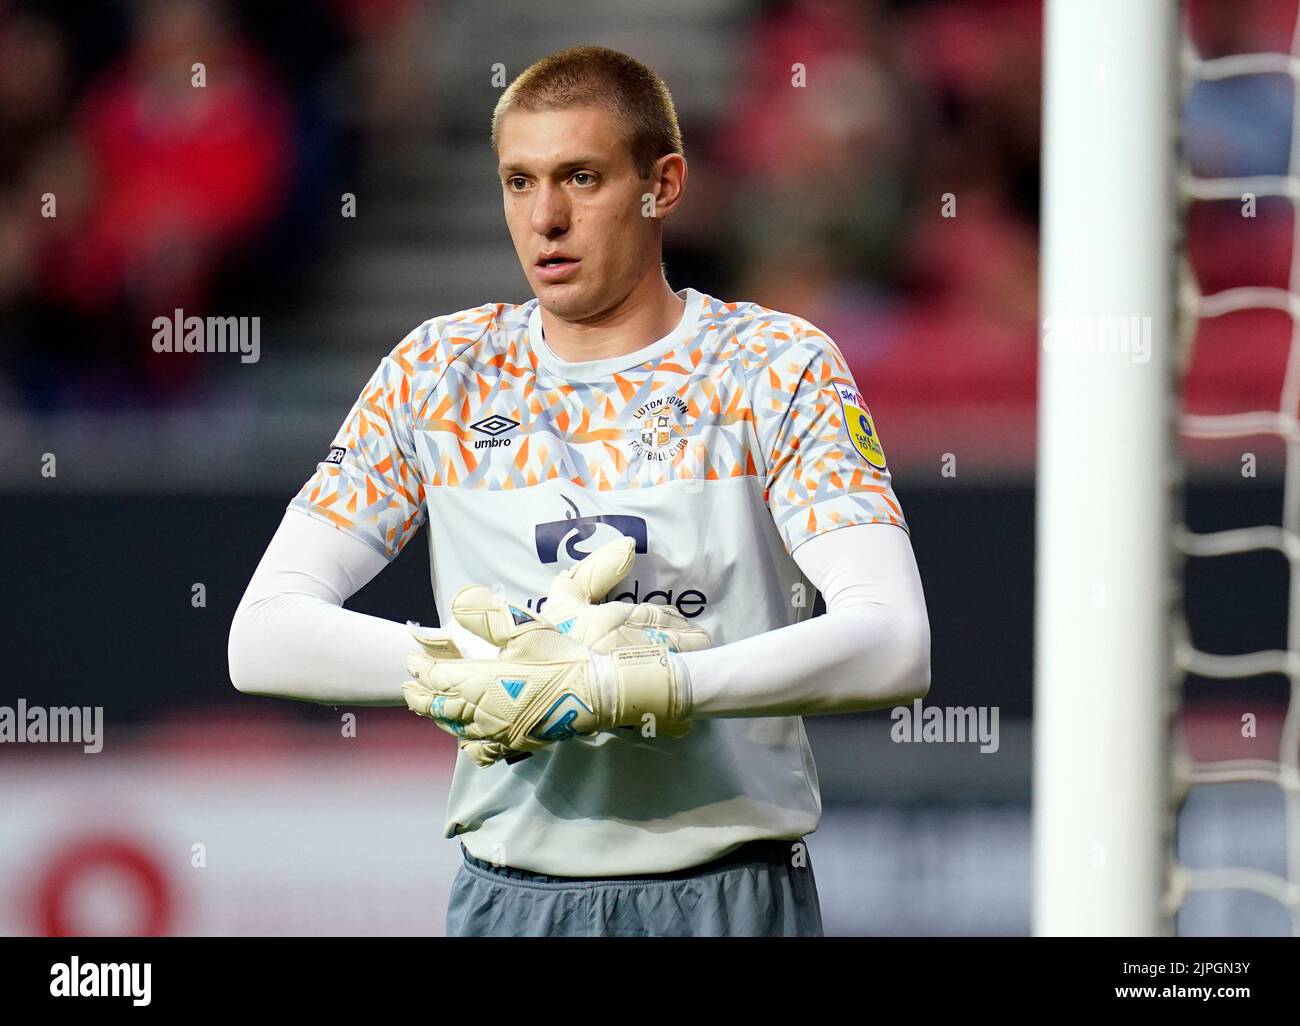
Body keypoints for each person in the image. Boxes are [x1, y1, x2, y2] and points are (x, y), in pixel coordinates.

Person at [228, 45, 931, 937]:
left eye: (582, 177)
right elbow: (261, 635)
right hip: (510, 898)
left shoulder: (775, 368)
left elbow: (894, 643)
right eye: (518, 183)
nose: (545, 218)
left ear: (663, 184)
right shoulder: (439, 371)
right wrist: (469, 674)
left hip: (726, 891)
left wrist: (648, 689)